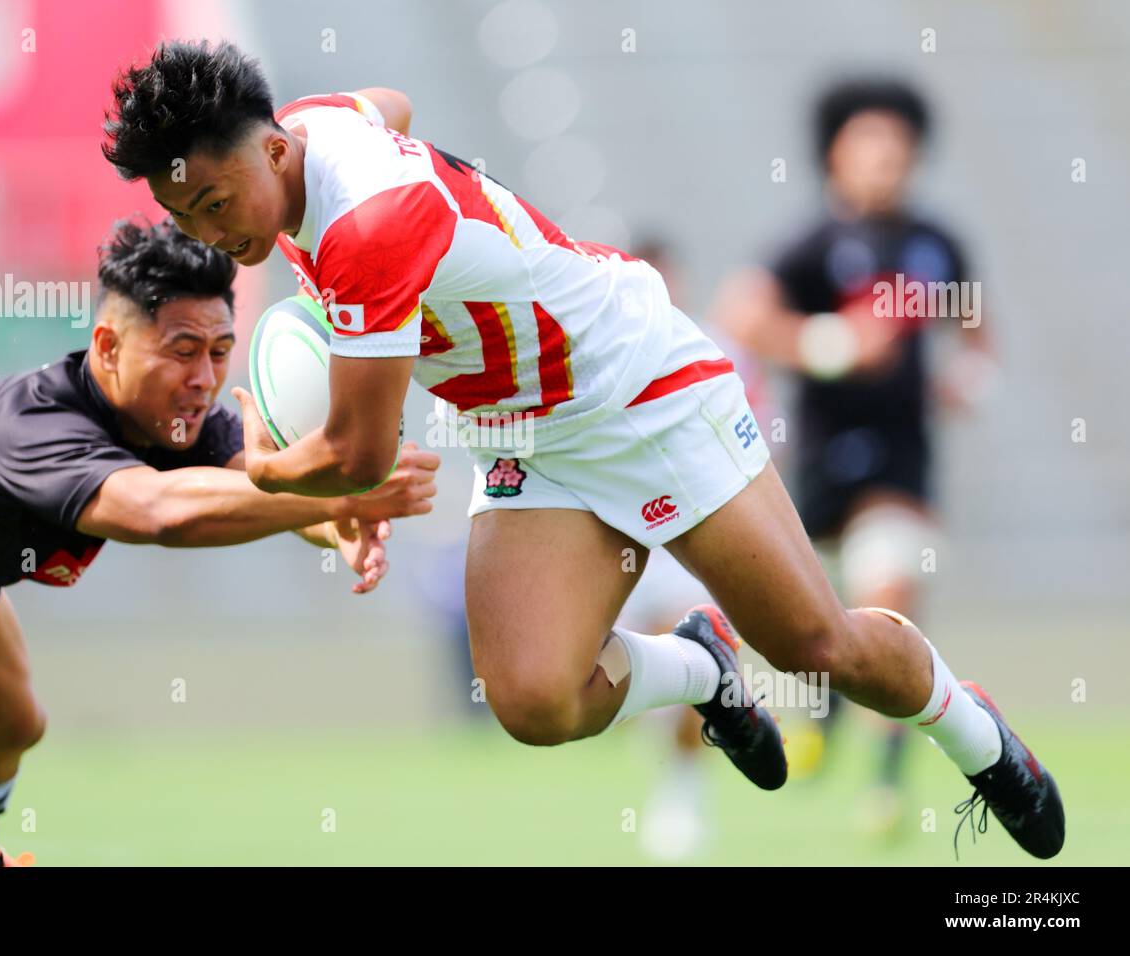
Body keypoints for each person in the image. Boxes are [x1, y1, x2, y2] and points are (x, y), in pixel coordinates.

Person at [102, 40, 1064, 859]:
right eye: (189, 219)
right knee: (533, 700)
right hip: (526, 430)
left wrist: (266, 467)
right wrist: (319, 454)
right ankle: (701, 672)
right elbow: (385, 104)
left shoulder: (371, 224)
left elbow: (358, 455)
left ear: (273, 149)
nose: (214, 236)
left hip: (638, 389)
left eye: (219, 203)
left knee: (816, 646)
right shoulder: (310, 131)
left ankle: (975, 736)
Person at [0, 216, 439, 866]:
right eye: (182, 350)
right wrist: (344, 491)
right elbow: (159, 513)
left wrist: (331, 519)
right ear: (109, 345)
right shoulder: (35, 425)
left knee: (4, 723)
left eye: (219, 350)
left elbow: (262, 488)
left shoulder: (174, 419)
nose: (204, 377)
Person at [710, 78, 998, 835]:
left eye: (897, 146)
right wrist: (828, 345)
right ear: (835, 155)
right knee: (826, 615)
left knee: (890, 589)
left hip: (903, 461)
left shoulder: (935, 244)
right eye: (867, 144)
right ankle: (824, 709)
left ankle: (888, 778)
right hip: (820, 457)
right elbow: (741, 312)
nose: (884, 159)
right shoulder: (809, 244)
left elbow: (976, 325)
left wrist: (970, 376)